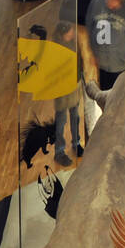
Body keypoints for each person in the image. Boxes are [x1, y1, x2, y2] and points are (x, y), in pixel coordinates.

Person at [84, 0, 125, 91]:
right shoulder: (97, 1)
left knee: (119, 91)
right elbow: (89, 26)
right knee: (104, 90)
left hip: (119, 62)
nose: (111, 7)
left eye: (115, 6)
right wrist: (93, 53)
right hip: (101, 60)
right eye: (109, 3)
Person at [51, 19, 83, 167]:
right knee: (61, 121)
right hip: (63, 90)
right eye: (70, 31)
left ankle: (76, 143)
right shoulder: (56, 50)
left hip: (74, 86)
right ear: (63, 34)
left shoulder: (73, 44)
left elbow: (79, 61)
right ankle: (59, 152)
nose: (73, 32)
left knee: (75, 117)